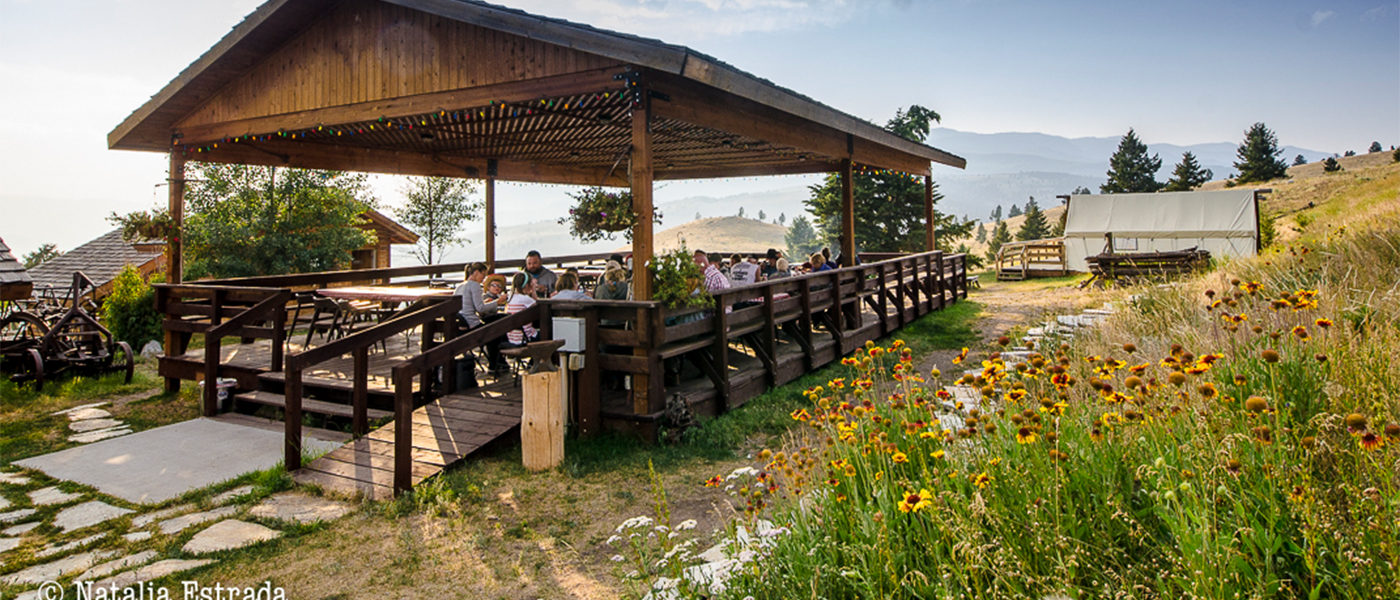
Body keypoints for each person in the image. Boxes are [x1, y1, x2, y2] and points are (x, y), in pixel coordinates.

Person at [454, 262, 499, 329]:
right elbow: (480, 308)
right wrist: (497, 302)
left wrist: (485, 303)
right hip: (472, 322)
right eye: (483, 275)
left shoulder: (460, 286)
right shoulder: (474, 285)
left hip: (462, 320)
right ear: (476, 272)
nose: (484, 278)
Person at [503, 272, 539, 348]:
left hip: (512, 337)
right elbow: (539, 308)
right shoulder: (525, 299)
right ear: (527, 286)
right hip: (524, 337)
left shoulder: (511, 297)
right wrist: (533, 291)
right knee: (547, 334)